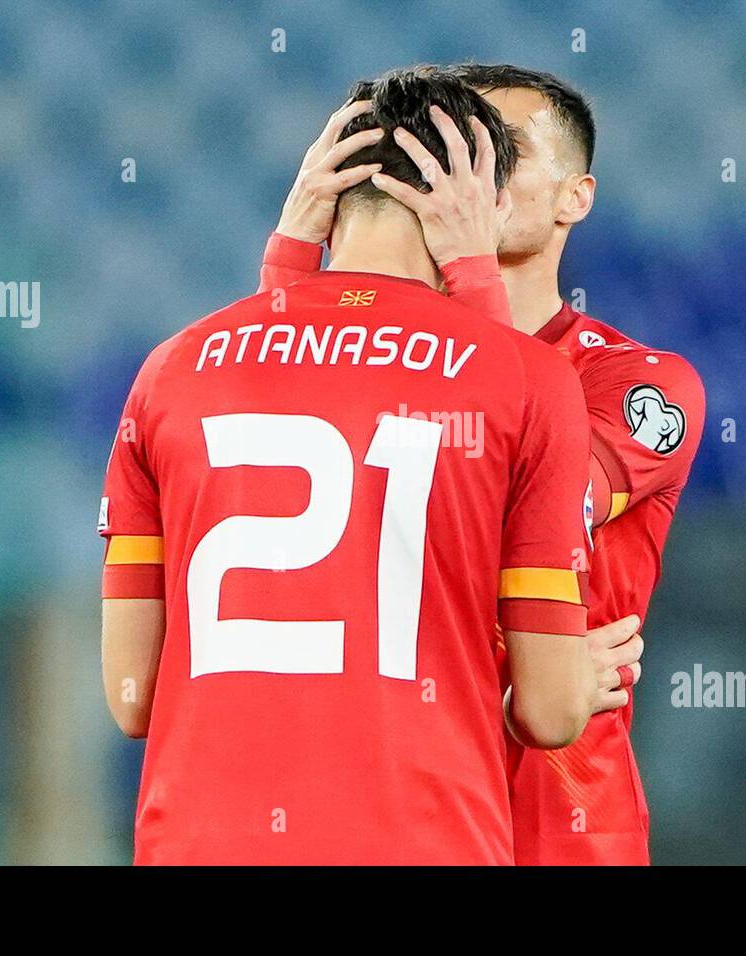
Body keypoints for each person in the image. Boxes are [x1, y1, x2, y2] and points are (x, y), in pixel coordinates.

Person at [98, 67, 599, 865]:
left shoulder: (171, 370)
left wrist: (289, 268)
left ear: (328, 195)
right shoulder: (532, 381)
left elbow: (132, 692)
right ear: (488, 205)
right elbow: (552, 711)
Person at [258, 64, 705, 865]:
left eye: (503, 150)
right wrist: (295, 257)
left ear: (576, 196)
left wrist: (468, 283)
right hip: (398, 802)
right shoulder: (377, 360)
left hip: (555, 817)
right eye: (458, 146)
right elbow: (272, 452)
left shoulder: (639, 381)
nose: (471, 176)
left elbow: (522, 493)